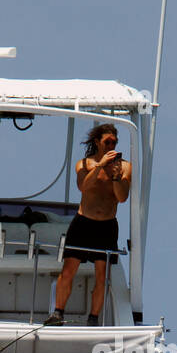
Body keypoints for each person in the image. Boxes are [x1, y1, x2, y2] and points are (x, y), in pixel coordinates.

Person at [46, 123, 130, 326]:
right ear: (97, 142)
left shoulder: (124, 167)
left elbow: (122, 198)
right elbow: (83, 186)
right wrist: (100, 165)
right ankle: (58, 313)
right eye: (107, 142)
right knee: (68, 270)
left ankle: (93, 318)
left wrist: (115, 176)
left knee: (102, 276)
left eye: (114, 142)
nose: (111, 146)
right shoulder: (84, 164)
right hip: (83, 223)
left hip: (107, 226)